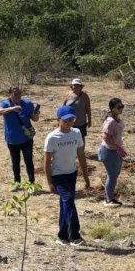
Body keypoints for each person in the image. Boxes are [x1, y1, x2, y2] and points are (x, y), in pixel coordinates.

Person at [44, 105, 91, 246]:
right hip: (58, 175)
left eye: (72, 120)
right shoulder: (52, 137)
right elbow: (46, 161)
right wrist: (50, 182)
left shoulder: (76, 133)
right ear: (58, 120)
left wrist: (86, 176)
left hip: (72, 173)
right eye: (66, 120)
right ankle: (75, 236)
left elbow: (81, 154)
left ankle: (62, 235)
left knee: (65, 203)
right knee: (69, 201)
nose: (69, 123)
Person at [0, 86, 39, 190]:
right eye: (15, 94)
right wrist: (11, 109)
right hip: (12, 139)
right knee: (15, 162)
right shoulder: (5, 104)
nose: (18, 96)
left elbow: (35, 119)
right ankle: (17, 183)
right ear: (10, 95)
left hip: (26, 138)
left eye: (19, 94)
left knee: (29, 161)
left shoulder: (28, 104)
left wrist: (36, 114)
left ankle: (31, 183)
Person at [98, 98, 126, 206]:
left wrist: (120, 148)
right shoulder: (110, 121)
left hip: (116, 150)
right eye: (118, 107)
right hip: (109, 151)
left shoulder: (117, 119)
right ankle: (109, 199)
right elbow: (105, 137)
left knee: (115, 174)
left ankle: (109, 196)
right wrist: (117, 148)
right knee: (112, 175)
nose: (121, 109)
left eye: (122, 106)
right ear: (112, 108)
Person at [62, 78, 92, 145]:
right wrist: (61, 119)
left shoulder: (85, 96)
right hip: (69, 121)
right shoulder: (68, 95)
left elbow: (88, 109)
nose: (75, 86)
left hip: (81, 121)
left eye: (77, 85)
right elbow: (63, 107)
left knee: (81, 137)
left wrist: (89, 120)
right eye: (74, 85)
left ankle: (81, 153)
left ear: (81, 87)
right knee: (69, 137)